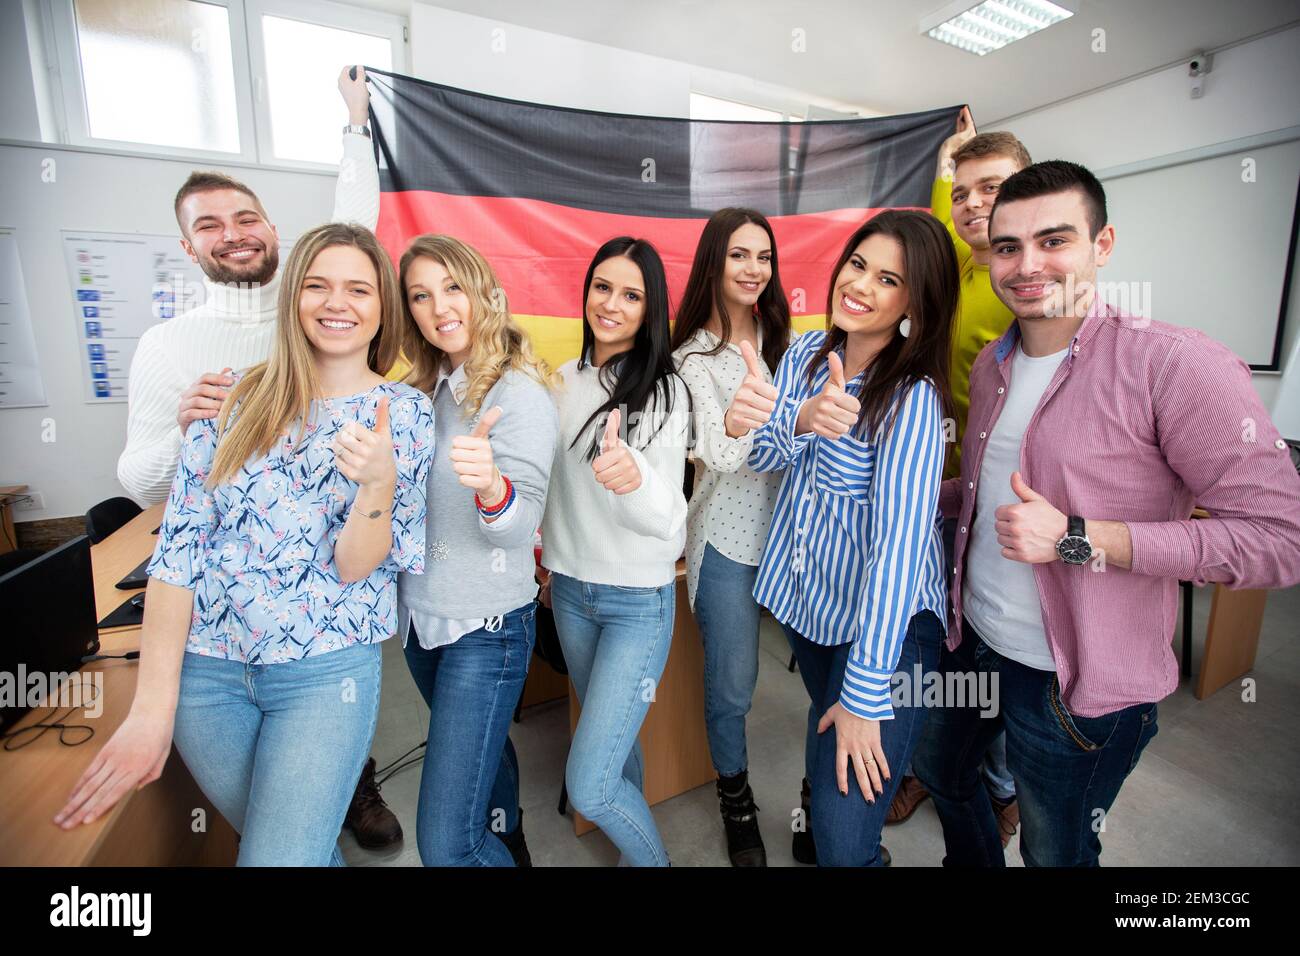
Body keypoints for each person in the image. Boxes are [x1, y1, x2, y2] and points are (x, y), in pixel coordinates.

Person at [912, 160, 1300, 866]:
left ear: (1103, 244)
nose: (1028, 265)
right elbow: (992, 491)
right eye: (1007, 247)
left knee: (1055, 850)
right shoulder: (994, 362)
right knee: (941, 772)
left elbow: (1279, 541)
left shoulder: (1174, 364)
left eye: (1054, 240)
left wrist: (1078, 540)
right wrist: (911, 495)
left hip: (1076, 683)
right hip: (974, 640)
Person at [55, 222, 435, 866]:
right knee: (296, 852)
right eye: (316, 285)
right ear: (293, 299)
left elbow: (356, 565)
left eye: (358, 289)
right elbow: (178, 552)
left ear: (381, 309)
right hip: (207, 681)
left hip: (324, 675)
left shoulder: (407, 414)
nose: (336, 302)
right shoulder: (231, 397)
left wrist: (379, 481)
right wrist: (153, 709)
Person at [732, 210, 959, 866]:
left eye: (888, 278)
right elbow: (766, 461)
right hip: (814, 608)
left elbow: (897, 551)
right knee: (822, 727)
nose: (860, 284)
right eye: (858, 264)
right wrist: (798, 418)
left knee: (838, 838)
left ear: (915, 302)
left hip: (886, 634)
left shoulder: (912, 399)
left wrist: (866, 696)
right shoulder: (804, 353)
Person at [888, 108, 1033, 842]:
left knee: (992, 648)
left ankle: (1003, 786)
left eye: (994, 189)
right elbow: (944, 214)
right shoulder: (955, 253)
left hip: (1000, 506)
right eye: (964, 192)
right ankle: (925, 764)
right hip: (933, 489)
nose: (974, 204)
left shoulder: (1022, 283)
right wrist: (951, 162)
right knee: (936, 640)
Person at [395, 234, 559, 866]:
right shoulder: (426, 389)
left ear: (483, 290)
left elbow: (517, 530)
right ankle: (509, 839)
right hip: (422, 621)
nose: (440, 308)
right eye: (421, 295)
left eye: (453, 287)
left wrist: (492, 486)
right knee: (485, 754)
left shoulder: (516, 392)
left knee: (445, 846)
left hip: (485, 628)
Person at [541, 237, 690, 866]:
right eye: (603, 286)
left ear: (650, 308)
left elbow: (671, 526)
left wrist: (636, 480)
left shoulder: (664, 392)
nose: (612, 304)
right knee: (616, 752)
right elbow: (545, 489)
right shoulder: (558, 382)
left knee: (590, 784)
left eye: (631, 295)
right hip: (571, 595)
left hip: (638, 604)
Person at [669, 207, 790, 866]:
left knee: (830, 666)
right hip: (728, 538)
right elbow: (713, 450)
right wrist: (749, 417)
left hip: (796, 535)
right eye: (740, 255)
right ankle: (736, 798)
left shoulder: (787, 339)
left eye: (764, 256)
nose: (753, 269)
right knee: (734, 687)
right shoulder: (688, 358)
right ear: (715, 263)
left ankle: (815, 793)